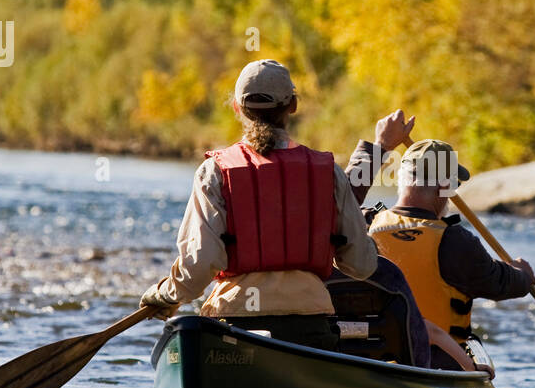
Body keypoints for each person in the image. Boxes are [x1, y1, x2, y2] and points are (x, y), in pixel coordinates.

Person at [138, 59, 378, 350]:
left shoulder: (215, 171)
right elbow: (362, 266)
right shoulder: (328, 172)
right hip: (310, 325)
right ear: (292, 107)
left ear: (237, 108)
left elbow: (198, 267)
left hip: (237, 323)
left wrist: (164, 294)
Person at [369, 140, 535, 370]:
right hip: (435, 360)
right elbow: (500, 282)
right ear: (443, 187)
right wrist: (523, 275)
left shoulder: (367, 224)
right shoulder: (454, 241)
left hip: (372, 354)